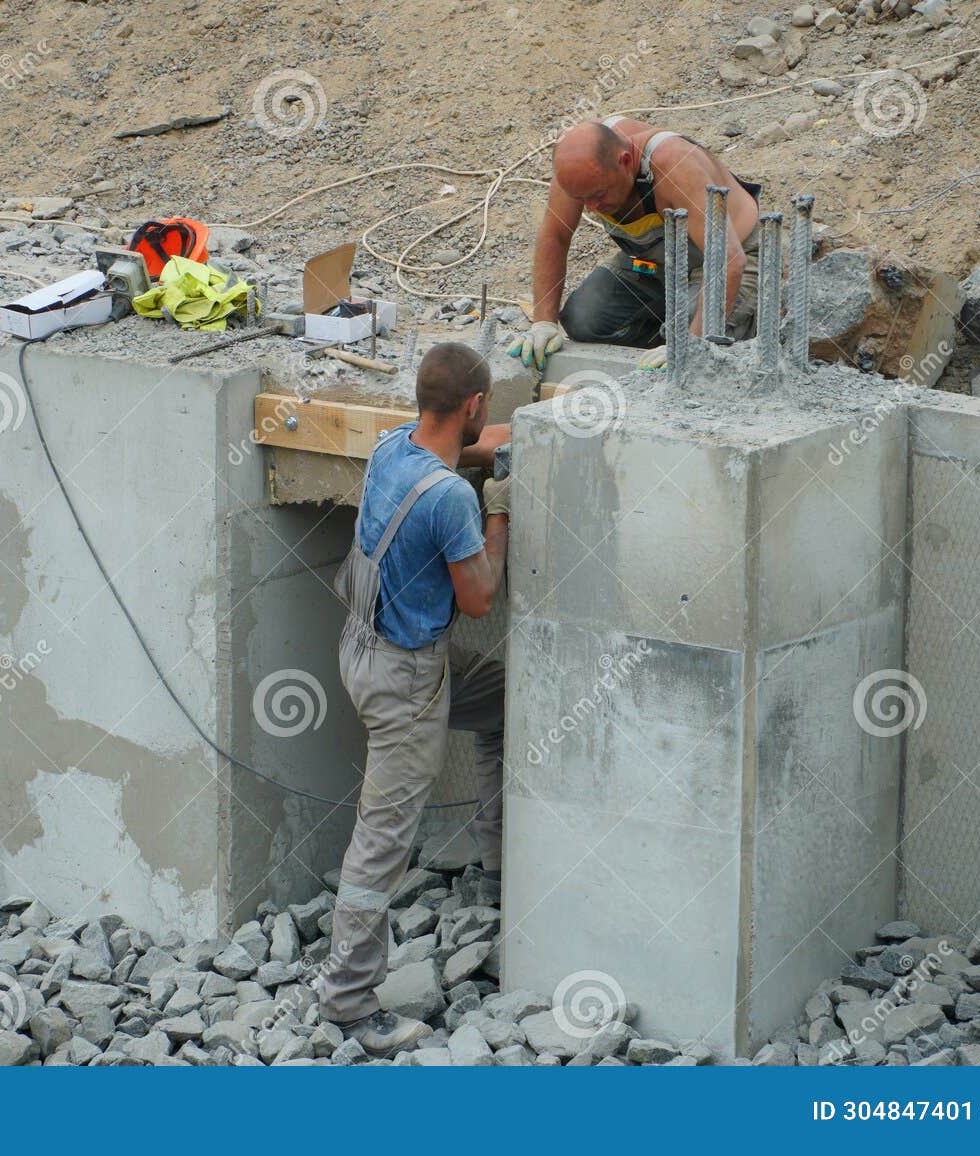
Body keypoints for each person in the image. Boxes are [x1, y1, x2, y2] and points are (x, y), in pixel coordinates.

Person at [316, 342, 510, 1056]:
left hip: (365, 649)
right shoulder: (456, 499)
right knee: (382, 843)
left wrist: (517, 442)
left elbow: (463, 456)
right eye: (484, 416)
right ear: (474, 405)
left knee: (503, 704)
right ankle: (347, 1003)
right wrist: (502, 510)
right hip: (406, 684)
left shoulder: (392, 449)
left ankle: (497, 869)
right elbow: (481, 597)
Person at [508, 116, 763, 370]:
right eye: (581, 199)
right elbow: (555, 236)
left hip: (733, 262)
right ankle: (666, 340)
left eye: (598, 195)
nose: (591, 208)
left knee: (688, 336)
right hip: (652, 265)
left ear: (626, 161)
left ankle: (732, 331)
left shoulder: (674, 164)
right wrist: (543, 322)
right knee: (582, 319)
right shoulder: (579, 168)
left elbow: (729, 260)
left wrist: (691, 342)